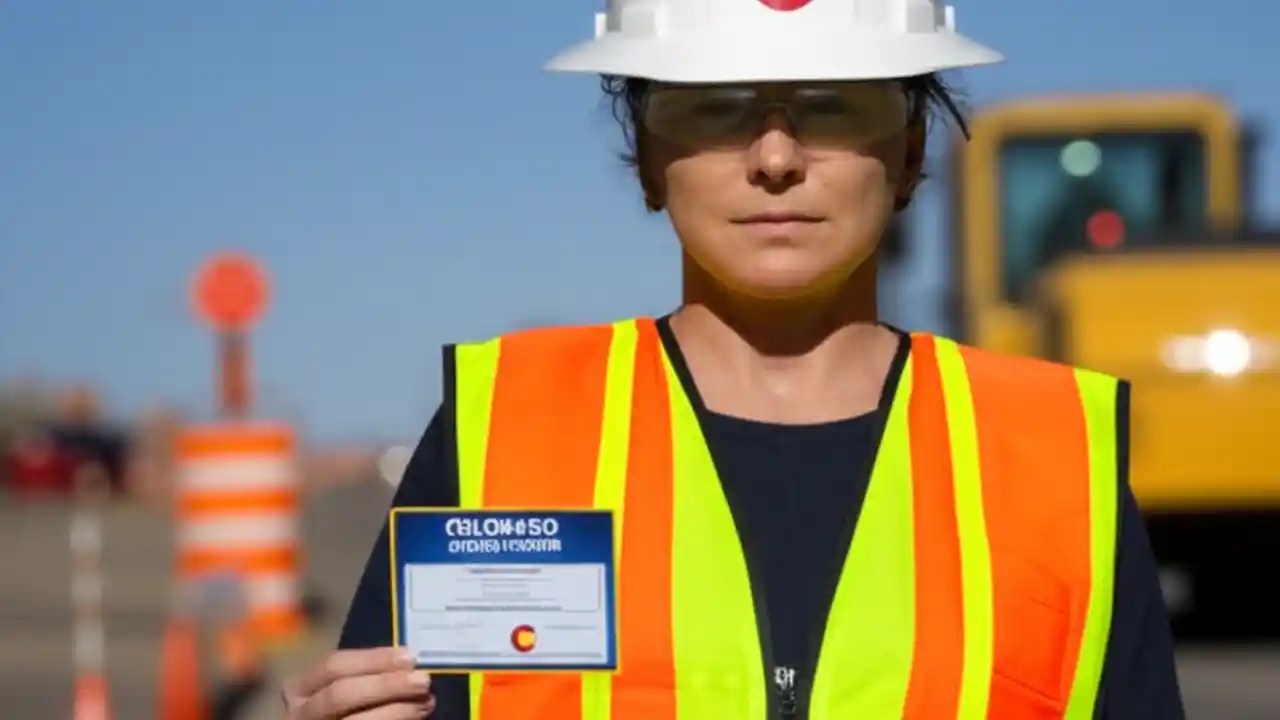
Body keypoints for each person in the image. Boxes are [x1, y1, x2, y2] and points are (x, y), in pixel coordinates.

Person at [281, 0, 1186, 717]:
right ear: (644, 154)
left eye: (833, 105)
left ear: (910, 152)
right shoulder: (504, 429)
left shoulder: (1051, 453)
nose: (777, 156)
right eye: (715, 108)